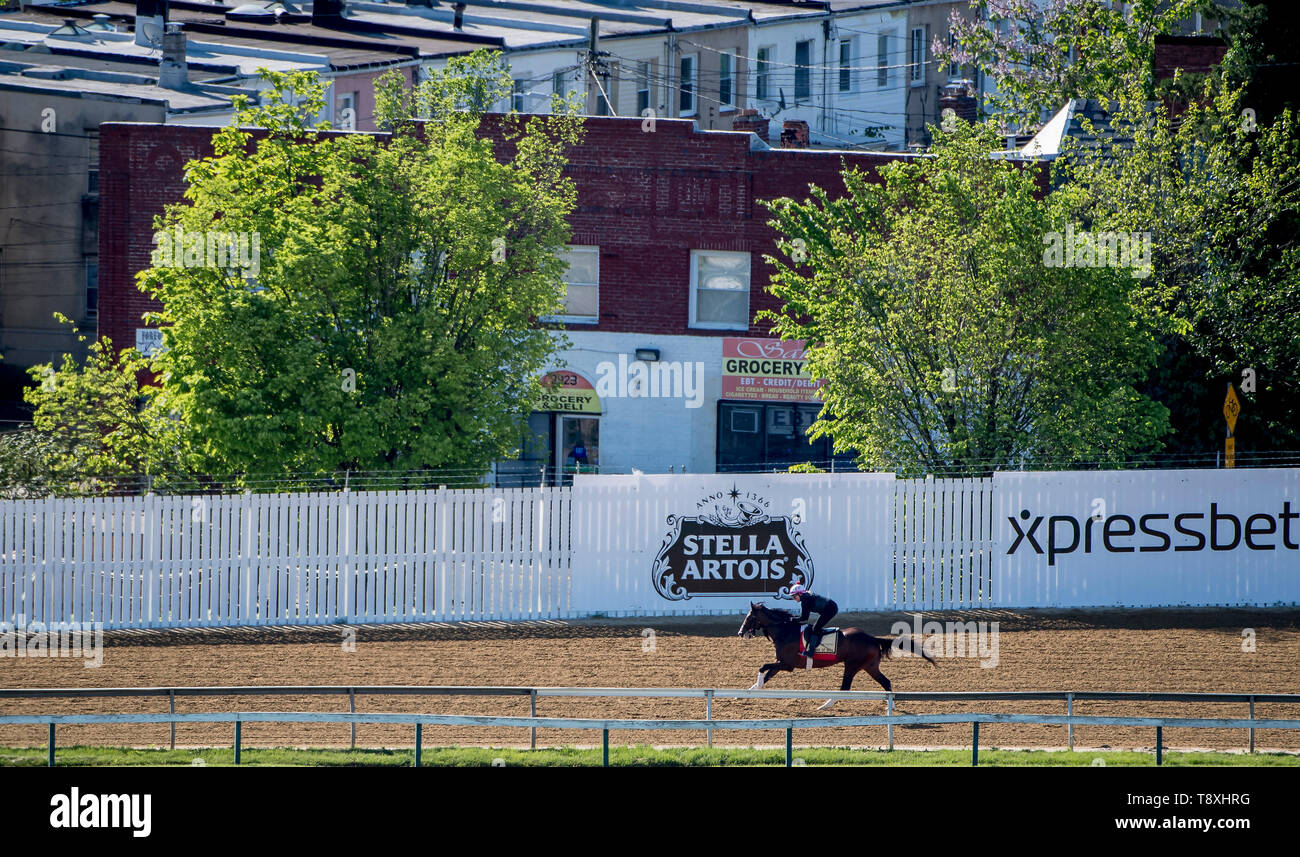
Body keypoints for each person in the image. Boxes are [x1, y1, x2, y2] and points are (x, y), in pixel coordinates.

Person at [789, 582, 837, 668]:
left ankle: (811, 652)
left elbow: (804, 618)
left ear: (800, 594)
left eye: (794, 596)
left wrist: (792, 619)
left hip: (830, 609)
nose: (793, 598)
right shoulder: (805, 596)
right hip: (830, 607)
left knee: (815, 628)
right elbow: (803, 617)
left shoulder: (805, 600)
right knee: (815, 626)